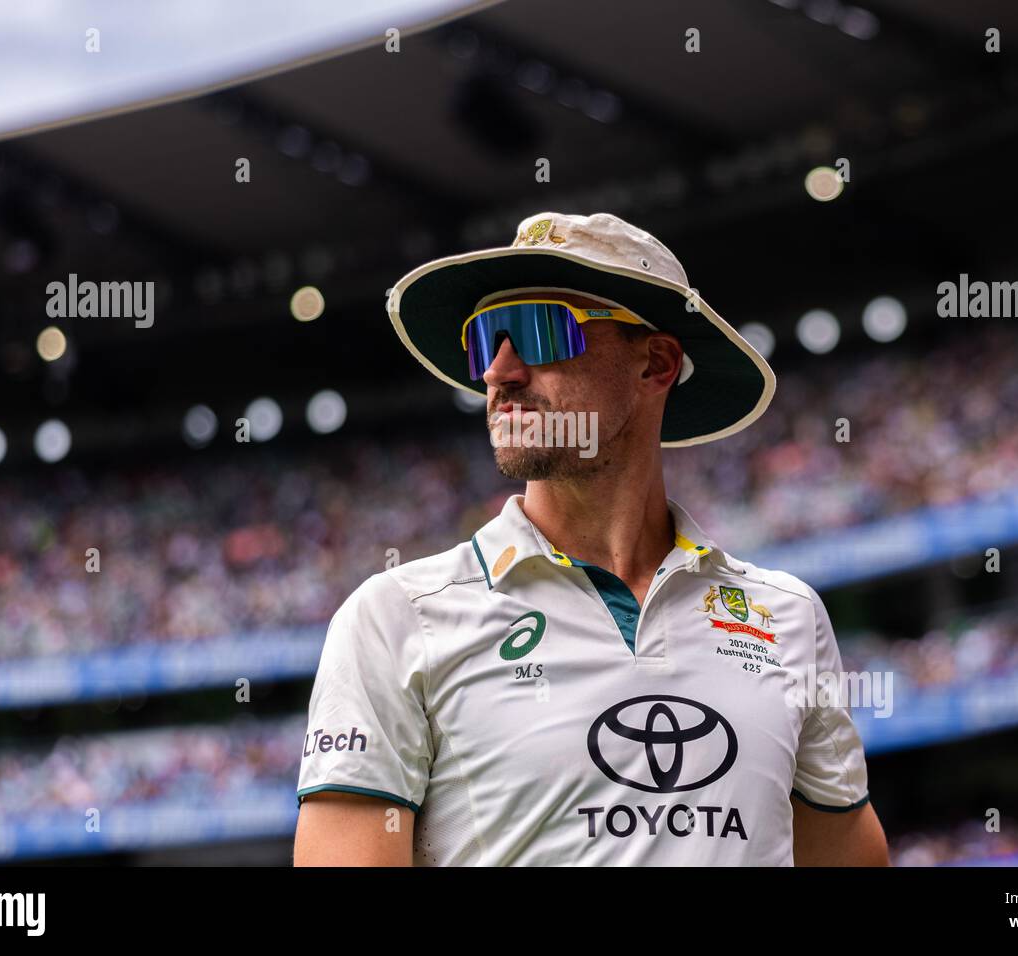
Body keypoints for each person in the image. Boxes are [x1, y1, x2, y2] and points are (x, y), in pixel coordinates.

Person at [294, 212, 888, 865]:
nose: (499, 372)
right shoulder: (393, 618)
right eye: (484, 340)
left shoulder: (790, 616)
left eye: (537, 332)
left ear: (657, 363)